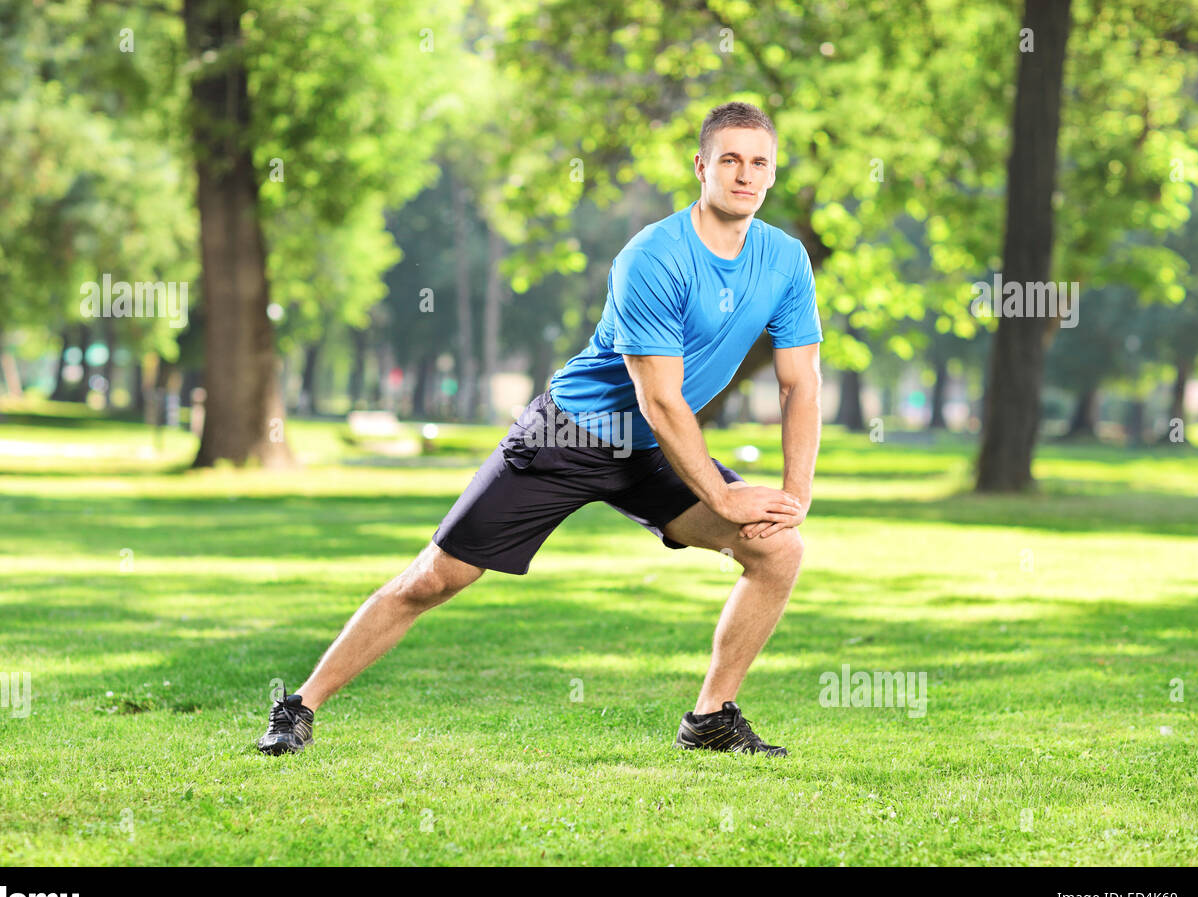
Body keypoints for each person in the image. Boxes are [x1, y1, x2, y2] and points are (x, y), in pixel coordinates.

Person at [257, 101, 823, 757]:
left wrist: (795, 493)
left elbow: (799, 382)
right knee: (433, 580)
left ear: (773, 174)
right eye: (730, 159)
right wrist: (724, 498)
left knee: (778, 549)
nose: (744, 175)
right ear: (701, 167)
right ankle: (299, 707)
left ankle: (711, 718)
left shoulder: (784, 260)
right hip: (570, 436)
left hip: (652, 453)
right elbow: (662, 400)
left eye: (759, 163)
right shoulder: (654, 257)